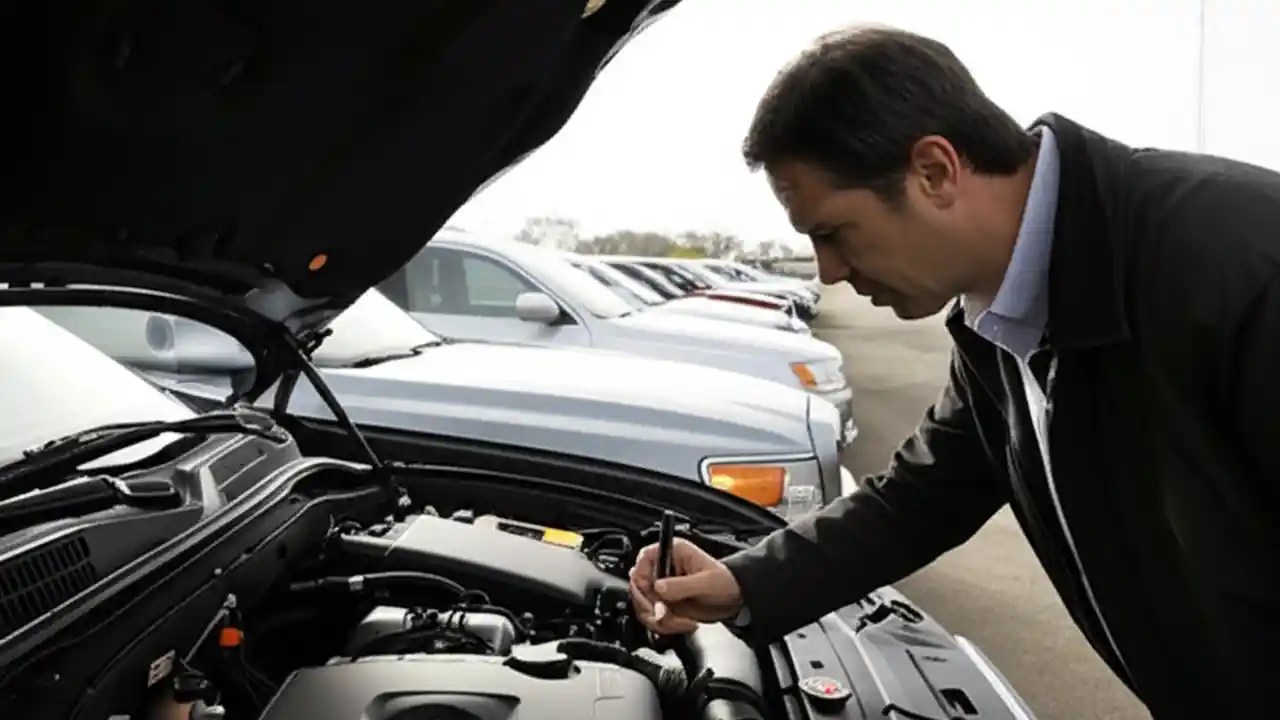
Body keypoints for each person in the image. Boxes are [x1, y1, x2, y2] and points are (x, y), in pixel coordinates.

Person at [627, 24, 1280, 718]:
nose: (829, 272)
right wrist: (741, 583)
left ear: (935, 171)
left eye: (833, 231)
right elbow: (922, 497)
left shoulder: (1240, 267)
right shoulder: (1001, 316)